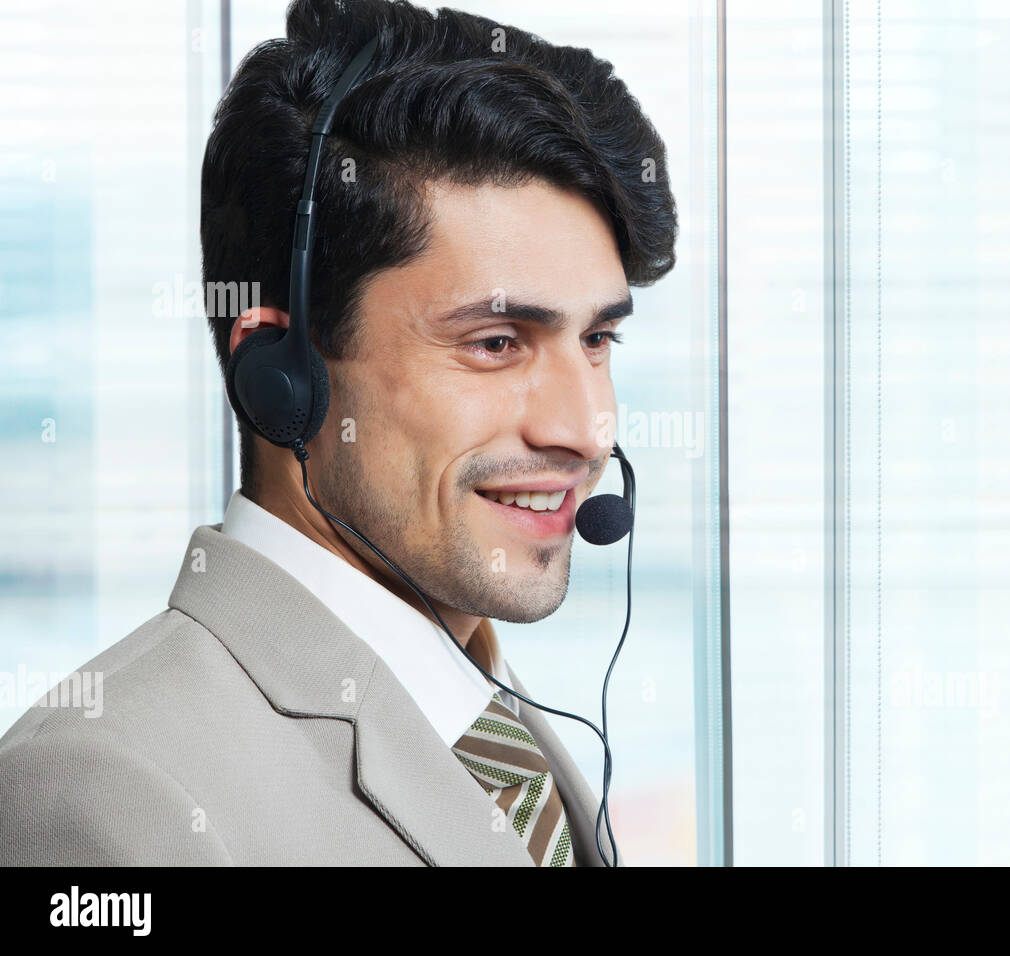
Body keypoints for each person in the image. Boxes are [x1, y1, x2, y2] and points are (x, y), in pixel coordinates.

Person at [0, 0, 676, 866]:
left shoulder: (494, 723)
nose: (585, 428)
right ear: (281, 377)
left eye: (596, 340)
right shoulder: (108, 788)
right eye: (497, 344)